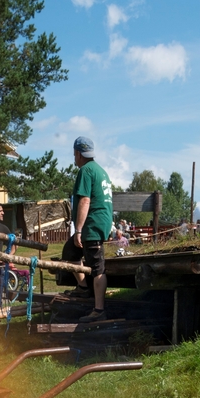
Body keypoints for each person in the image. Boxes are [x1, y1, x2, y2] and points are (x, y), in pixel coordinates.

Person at [61, 136, 113, 322]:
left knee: (98, 268)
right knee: (70, 252)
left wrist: (79, 230)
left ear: (77, 153)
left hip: (93, 224)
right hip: (101, 221)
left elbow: (84, 200)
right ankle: (83, 288)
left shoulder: (86, 171)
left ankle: (99, 310)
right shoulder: (101, 171)